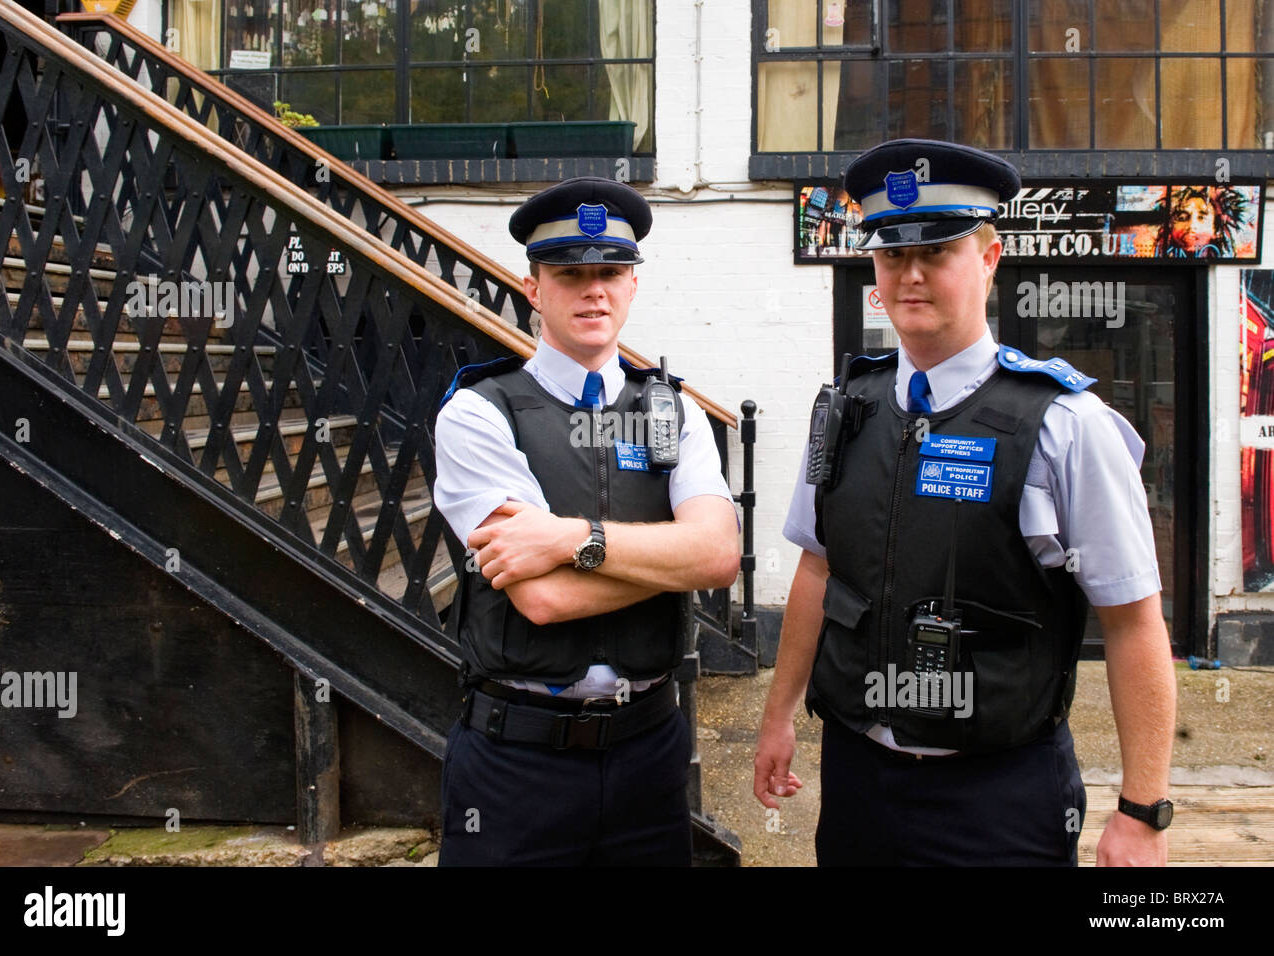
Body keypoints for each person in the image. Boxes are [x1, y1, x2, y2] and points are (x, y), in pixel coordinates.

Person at [753, 139, 1177, 866]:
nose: (910, 276)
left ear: (989, 258)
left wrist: (1142, 811)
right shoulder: (848, 408)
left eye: (938, 253)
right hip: (859, 781)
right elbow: (817, 572)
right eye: (892, 256)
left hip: (997, 796)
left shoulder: (1065, 427)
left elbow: (1134, 619)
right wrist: (777, 717)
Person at [432, 176, 741, 866]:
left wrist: (569, 538)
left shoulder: (673, 411)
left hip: (649, 752)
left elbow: (721, 555)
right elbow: (543, 599)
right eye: (571, 273)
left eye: (610, 272)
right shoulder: (481, 412)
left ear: (632, 286)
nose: (593, 289)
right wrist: (671, 559)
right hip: (517, 762)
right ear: (533, 288)